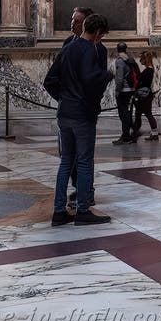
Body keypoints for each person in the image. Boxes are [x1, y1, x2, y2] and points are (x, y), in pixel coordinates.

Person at [44, 13, 113, 226]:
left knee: (66, 162)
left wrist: (64, 98)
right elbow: (91, 80)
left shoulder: (66, 49)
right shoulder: (89, 50)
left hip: (64, 112)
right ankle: (83, 210)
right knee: (83, 162)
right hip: (82, 114)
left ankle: (58, 212)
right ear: (98, 33)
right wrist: (108, 75)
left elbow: (49, 81)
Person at [111, 42, 139, 145]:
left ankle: (126, 136)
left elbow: (119, 78)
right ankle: (131, 133)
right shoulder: (130, 59)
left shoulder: (120, 61)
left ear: (117, 49)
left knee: (123, 114)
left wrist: (117, 91)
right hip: (131, 89)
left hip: (123, 91)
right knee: (127, 113)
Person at [132, 50, 159, 141]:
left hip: (144, 96)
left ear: (145, 59)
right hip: (146, 95)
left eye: (141, 59)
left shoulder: (148, 70)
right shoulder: (149, 69)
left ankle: (135, 133)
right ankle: (153, 133)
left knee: (144, 114)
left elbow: (142, 82)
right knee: (144, 114)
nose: (140, 60)